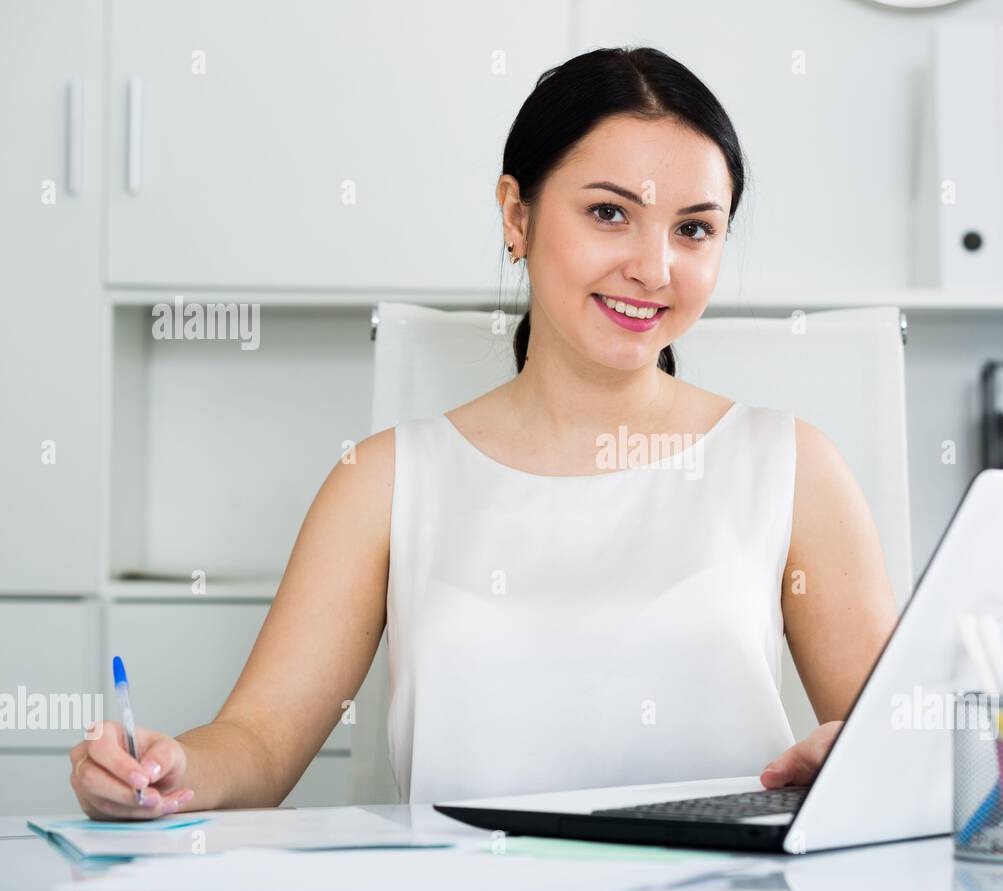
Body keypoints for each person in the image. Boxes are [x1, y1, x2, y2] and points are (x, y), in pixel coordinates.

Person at [68, 46, 897, 819]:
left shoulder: (792, 467)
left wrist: (860, 767)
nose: (655, 267)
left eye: (694, 228)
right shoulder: (385, 480)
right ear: (517, 214)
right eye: (610, 213)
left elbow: (894, 761)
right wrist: (168, 774)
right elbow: (259, 741)